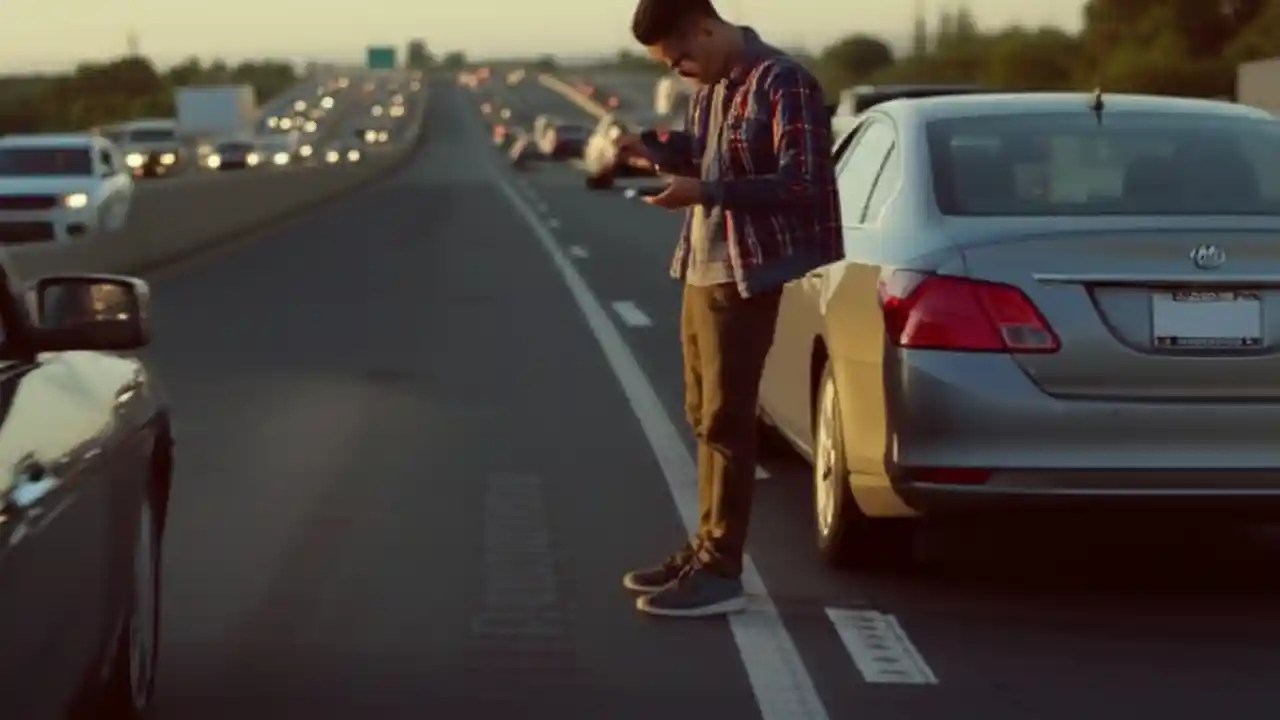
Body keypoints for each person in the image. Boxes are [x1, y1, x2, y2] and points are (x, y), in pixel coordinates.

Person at [620, 0, 844, 617]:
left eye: (681, 56)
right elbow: (710, 156)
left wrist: (708, 191)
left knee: (726, 419)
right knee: (702, 415)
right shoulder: (712, 87)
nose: (680, 70)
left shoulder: (784, 81)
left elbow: (802, 181)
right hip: (701, 265)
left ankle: (721, 569)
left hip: (747, 272)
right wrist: (654, 149)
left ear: (706, 27)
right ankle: (704, 548)